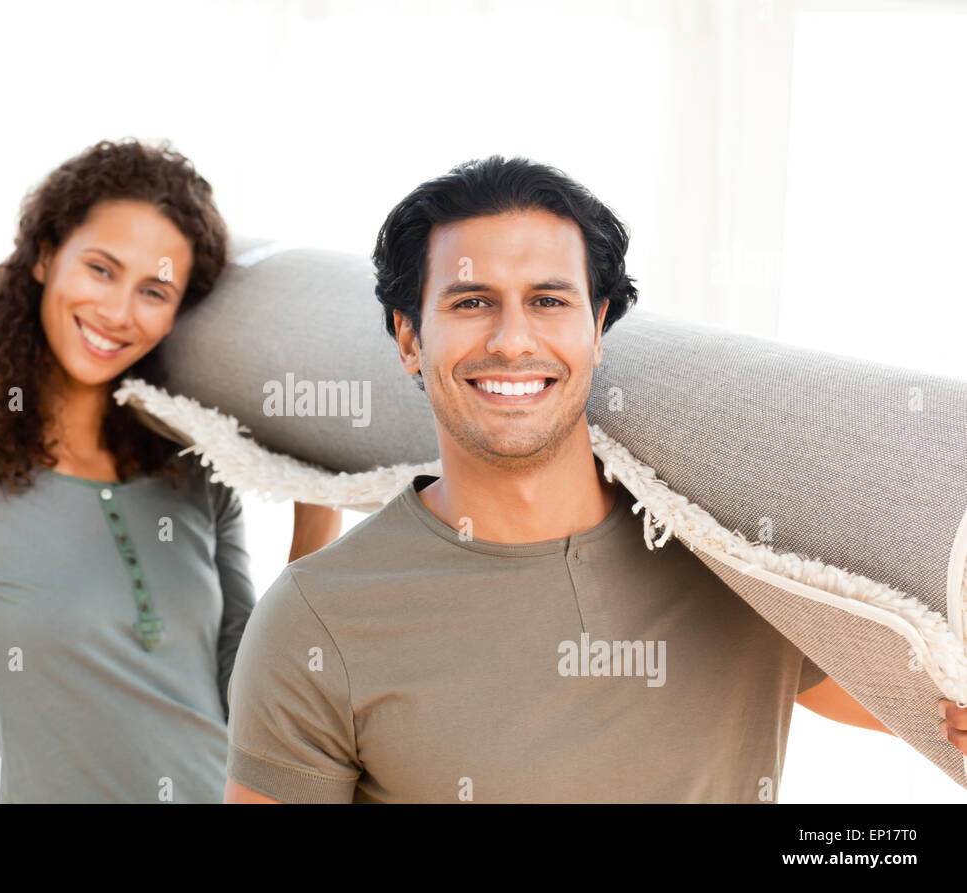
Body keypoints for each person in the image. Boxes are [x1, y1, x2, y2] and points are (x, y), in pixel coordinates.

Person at [223, 154, 967, 803]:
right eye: (472, 301)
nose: (513, 340)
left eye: (548, 301)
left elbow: (913, 703)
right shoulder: (317, 618)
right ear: (409, 337)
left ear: (597, 325)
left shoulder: (735, 556)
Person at [0, 138, 341, 804]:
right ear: (46, 256)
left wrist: (319, 503)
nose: (117, 311)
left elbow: (251, 692)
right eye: (101, 268)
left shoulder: (194, 476)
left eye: (154, 290)